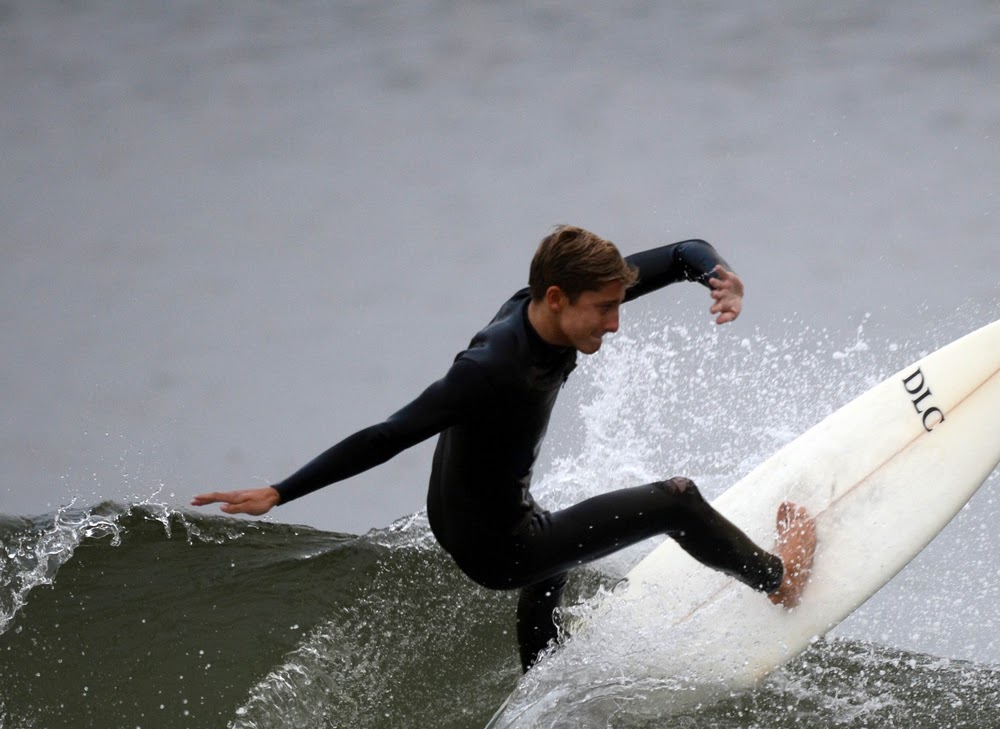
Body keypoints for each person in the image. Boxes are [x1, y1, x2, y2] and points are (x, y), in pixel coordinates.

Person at [194, 226, 815, 671]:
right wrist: (280, 491)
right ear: (556, 298)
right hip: (498, 548)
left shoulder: (554, 300)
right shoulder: (490, 368)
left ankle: (539, 676)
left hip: (485, 519)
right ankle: (778, 580)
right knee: (675, 500)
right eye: (603, 310)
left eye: (617, 305)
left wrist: (718, 277)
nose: (615, 323)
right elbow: (388, 435)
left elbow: (683, 253)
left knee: (556, 548)